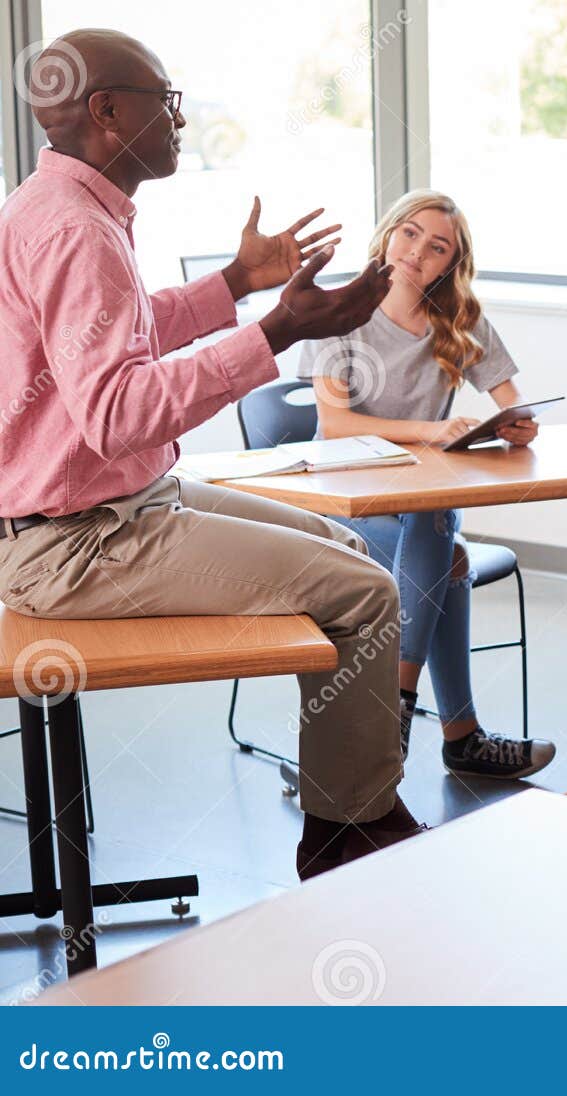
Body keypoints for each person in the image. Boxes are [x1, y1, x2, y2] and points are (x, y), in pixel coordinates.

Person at [0, 29, 422, 882]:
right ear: (105, 110)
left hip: (115, 505)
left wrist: (235, 283)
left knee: (348, 550)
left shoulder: (58, 207)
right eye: (166, 100)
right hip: (72, 544)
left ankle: (348, 806)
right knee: (368, 592)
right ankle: (349, 833)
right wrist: (278, 330)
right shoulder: (74, 230)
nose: (180, 119)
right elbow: (116, 413)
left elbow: (117, 336)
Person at [302, 190, 555, 780]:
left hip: (421, 504)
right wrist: (431, 431)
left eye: (437, 247)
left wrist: (518, 424)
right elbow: (335, 424)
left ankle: (397, 708)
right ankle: (458, 734)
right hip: (346, 501)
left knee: (435, 525)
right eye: (410, 233)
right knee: (446, 555)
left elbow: (515, 400)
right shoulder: (339, 311)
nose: (418, 252)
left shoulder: (459, 318)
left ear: (450, 264)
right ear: (389, 233)